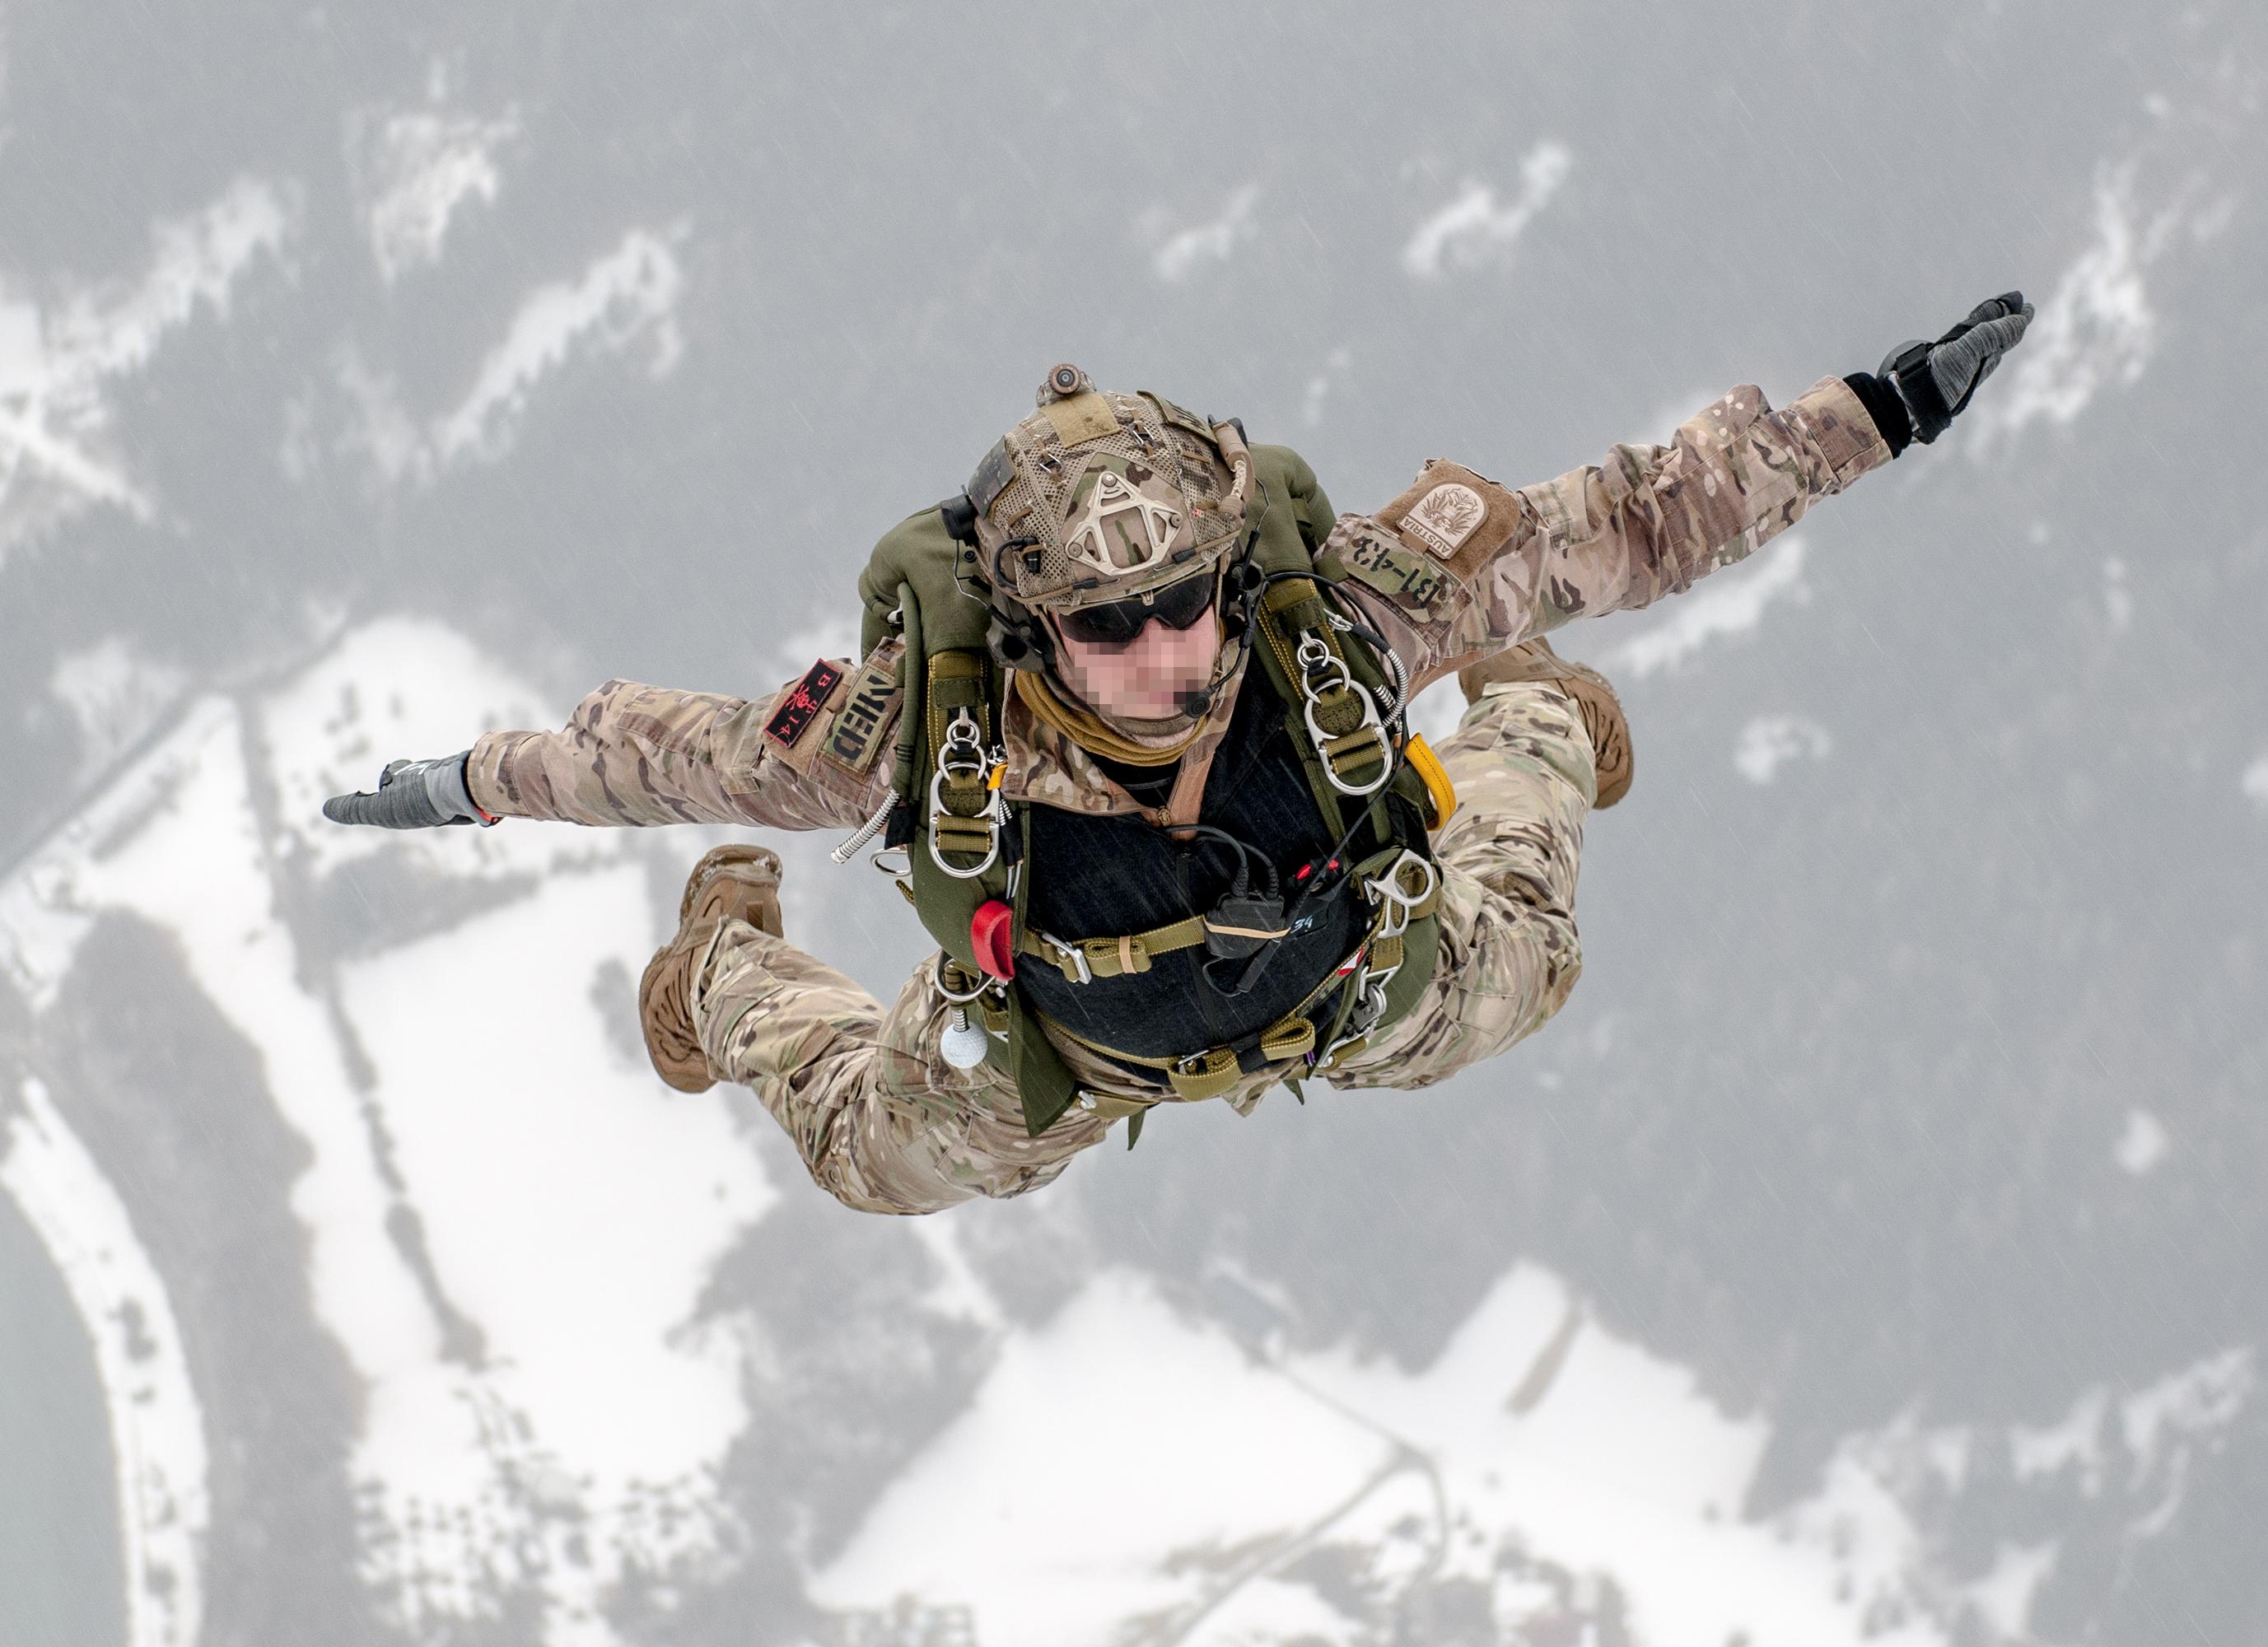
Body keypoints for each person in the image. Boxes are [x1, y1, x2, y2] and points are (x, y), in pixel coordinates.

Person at [324, 296, 2034, 1215]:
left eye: (1186, 600)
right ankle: (722, 968)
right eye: (1107, 621)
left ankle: (1531, 714)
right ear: (1029, 622)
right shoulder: (935, 731)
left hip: (1361, 972)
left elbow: (1641, 518)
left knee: (1526, 961)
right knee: (870, 1159)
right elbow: (662, 759)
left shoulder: (1342, 621)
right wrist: (468, 783)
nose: (1162, 651)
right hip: (1069, 1046)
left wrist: (1881, 411)